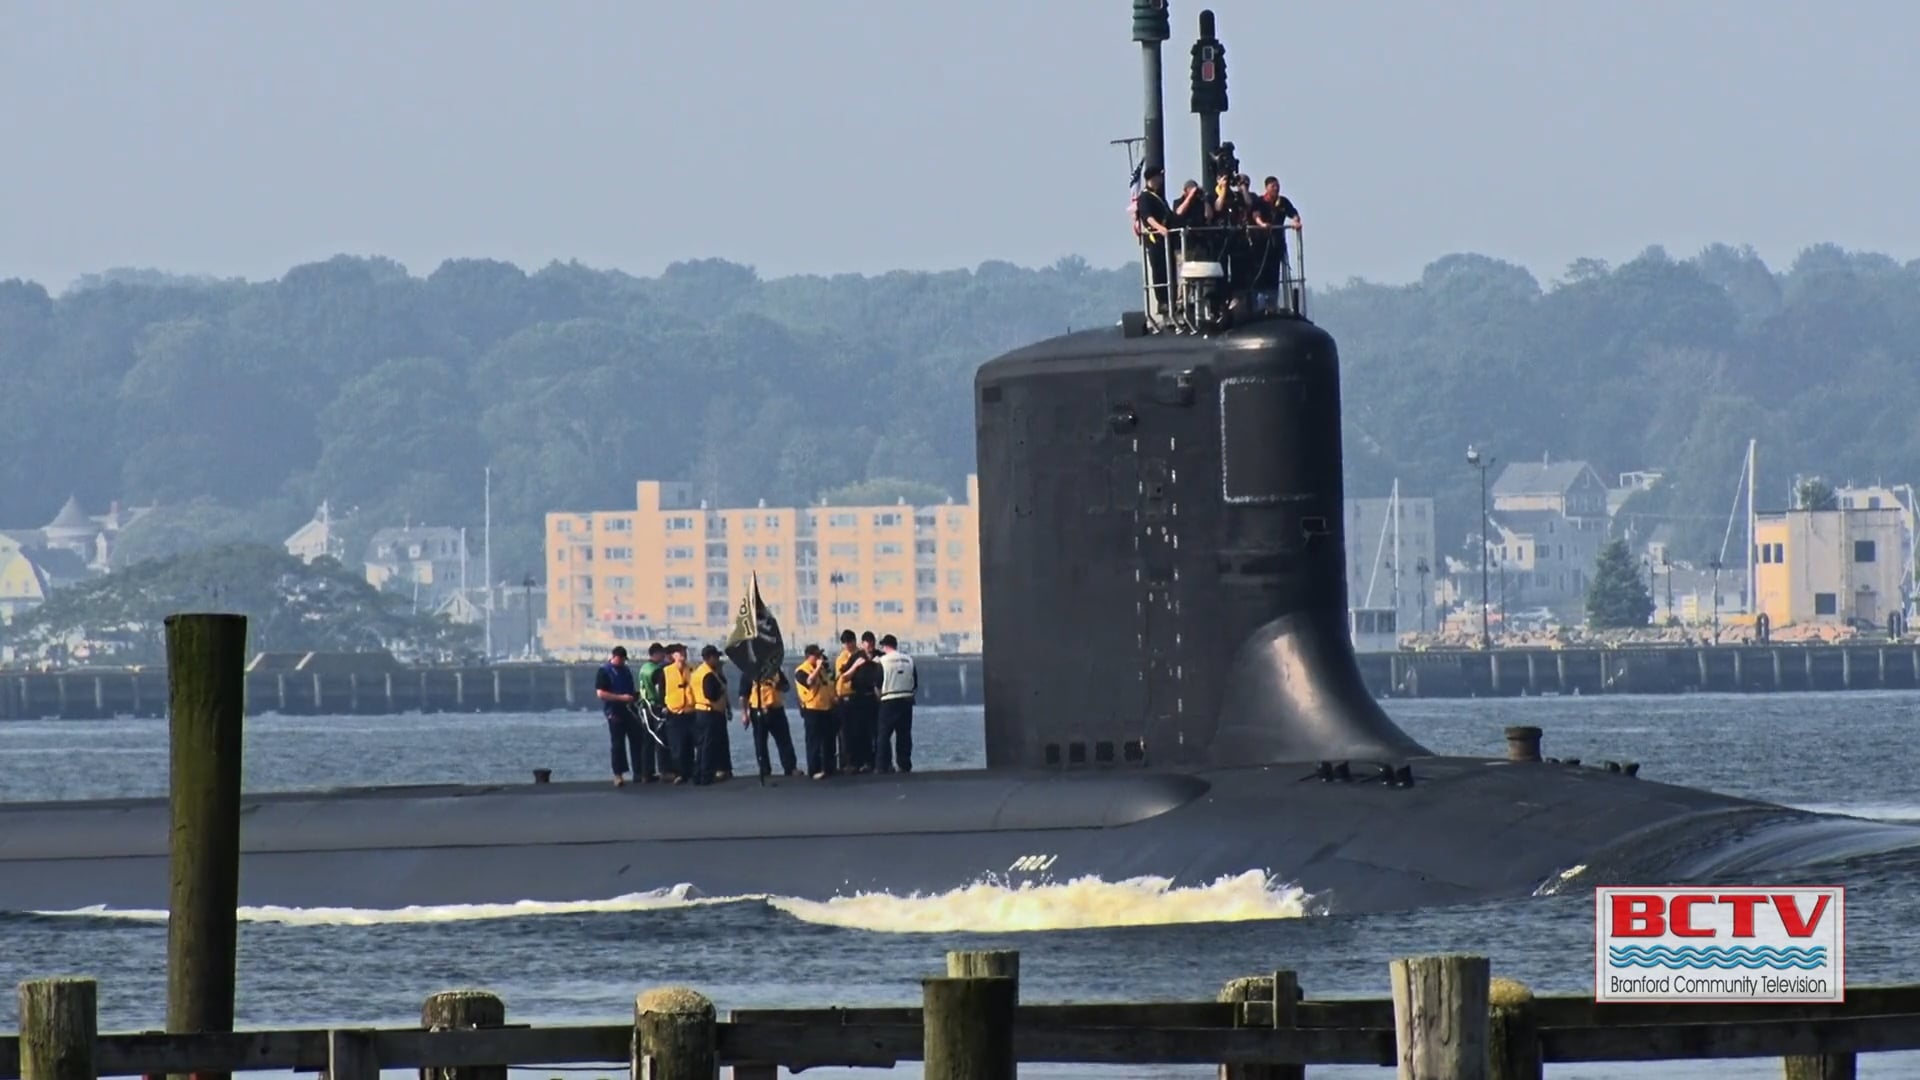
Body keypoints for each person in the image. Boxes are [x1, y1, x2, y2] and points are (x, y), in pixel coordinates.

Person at [594, 646, 646, 787]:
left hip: (629, 710)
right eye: (622, 659)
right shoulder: (604, 671)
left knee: (637, 740)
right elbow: (601, 693)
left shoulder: (626, 670)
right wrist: (621, 698)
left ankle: (638, 772)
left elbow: (630, 689)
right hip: (614, 711)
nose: (623, 662)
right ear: (615, 657)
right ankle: (618, 774)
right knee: (618, 744)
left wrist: (635, 696)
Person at [738, 665, 798, 780]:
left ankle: (790, 767)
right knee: (760, 742)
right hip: (758, 710)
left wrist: (778, 684)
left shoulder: (776, 670)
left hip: (776, 709)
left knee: (784, 740)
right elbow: (743, 695)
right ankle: (764, 769)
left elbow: (786, 687)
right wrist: (744, 714)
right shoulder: (749, 672)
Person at [793, 644, 839, 778]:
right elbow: (809, 682)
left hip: (826, 708)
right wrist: (818, 668)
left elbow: (828, 684)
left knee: (828, 740)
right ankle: (814, 769)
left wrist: (834, 698)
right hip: (812, 709)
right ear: (809, 656)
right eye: (817, 655)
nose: (820, 658)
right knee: (814, 741)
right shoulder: (801, 670)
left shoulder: (823, 670)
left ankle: (829, 768)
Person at [689, 645, 733, 784]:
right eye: (716, 657)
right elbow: (711, 695)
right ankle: (706, 775)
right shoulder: (708, 674)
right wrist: (720, 690)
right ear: (710, 658)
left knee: (702, 746)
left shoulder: (697, 672)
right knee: (709, 746)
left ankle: (698, 774)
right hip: (710, 712)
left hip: (700, 712)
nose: (718, 660)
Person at [875, 634, 916, 773]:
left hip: (888, 700)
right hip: (906, 699)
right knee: (904, 734)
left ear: (885, 646)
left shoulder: (883, 661)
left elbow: (878, 683)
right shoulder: (909, 660)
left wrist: (879, 697)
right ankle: (904, 764)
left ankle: (882, 765)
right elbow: (915, 682)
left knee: (884, 735)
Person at [832, 630, 871, 773]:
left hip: (858, 695)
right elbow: (841, 676)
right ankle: (847, 763)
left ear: (855, 641)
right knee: (845, 732)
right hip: (844, 696)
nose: (848, 645)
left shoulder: (861, 654)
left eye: (850, 642)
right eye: (845, 643)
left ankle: (860, 761)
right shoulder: (842, 657)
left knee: (860, 730)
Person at [659, 642, 697, 784]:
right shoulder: (666, 671)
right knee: (677, 745)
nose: (683, 655)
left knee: (690, 744)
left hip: (691, 712)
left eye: (684, 652)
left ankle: (691, 770)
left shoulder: (692, 669)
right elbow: (661, 690)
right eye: (680, 652)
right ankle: (679, 773)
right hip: (674, 713)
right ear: (673, 655)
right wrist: (664, 705)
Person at [854, 631, 885, 769]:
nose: (870, 645)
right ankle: (866, 761)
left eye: (872, 642)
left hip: (877, 699)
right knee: (863, 732)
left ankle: (881, 762)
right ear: (862, 644)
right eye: (868, 643)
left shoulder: (881, 656)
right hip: (861, 698)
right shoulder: (857, 657)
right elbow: (845, 673)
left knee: (879, 732)